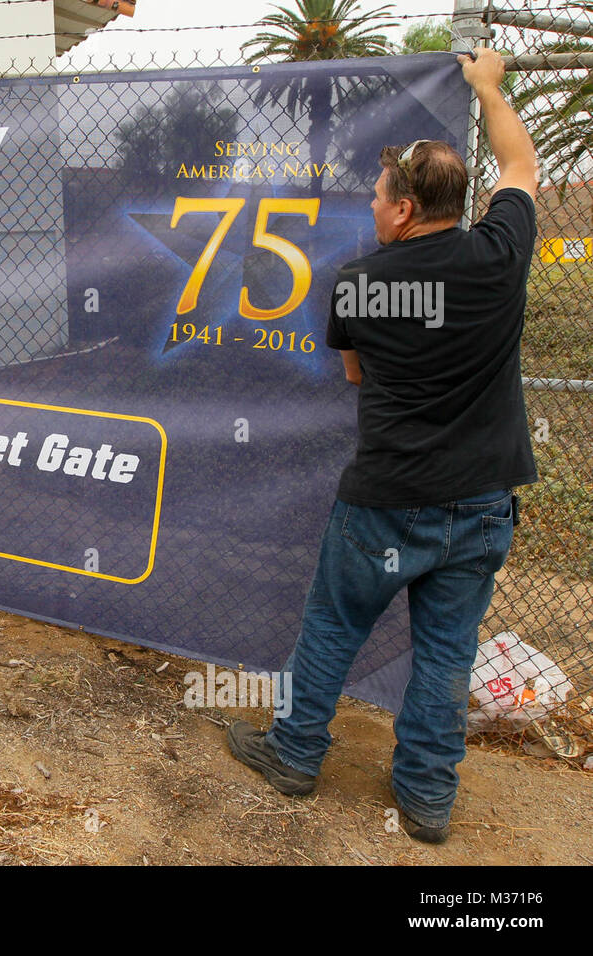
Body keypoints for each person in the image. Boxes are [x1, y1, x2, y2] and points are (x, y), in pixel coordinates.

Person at [226, 47, 540, 844]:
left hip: (386, 504)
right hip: (479, 504)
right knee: (444, 651)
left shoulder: (360, 283)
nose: (370, 206)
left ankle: (296, 756)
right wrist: (488, 87)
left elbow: (357, 373)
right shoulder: (500, 255)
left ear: (403, 211)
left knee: (334, 626)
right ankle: (427, 800)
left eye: (377, 195)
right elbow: (522, 164)